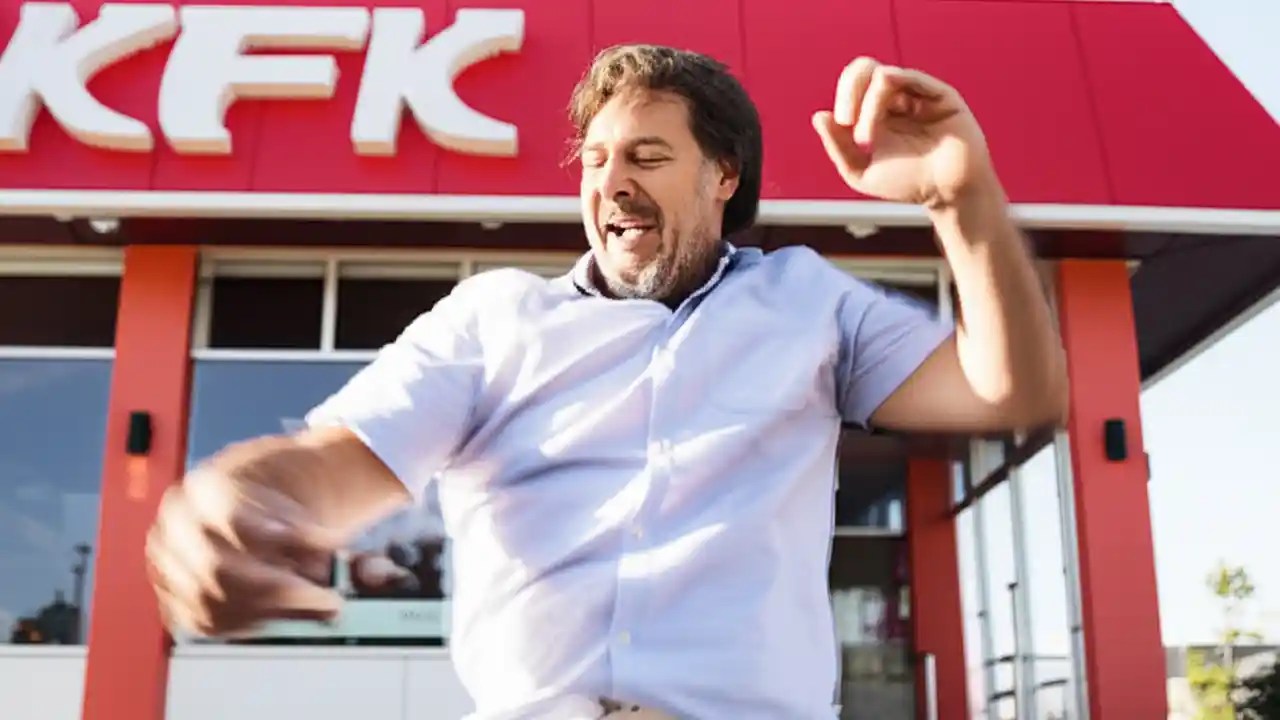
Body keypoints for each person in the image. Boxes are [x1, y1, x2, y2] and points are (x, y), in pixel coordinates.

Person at [144, 45, 1068, 719]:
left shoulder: (810, 302)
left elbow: (1003, 392)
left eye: (648, 158)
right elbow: (341, 461)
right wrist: (244, 496)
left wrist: (961, 200)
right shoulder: (493, 318)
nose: (612, 183)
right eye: (595, 160)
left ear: (723, 176)